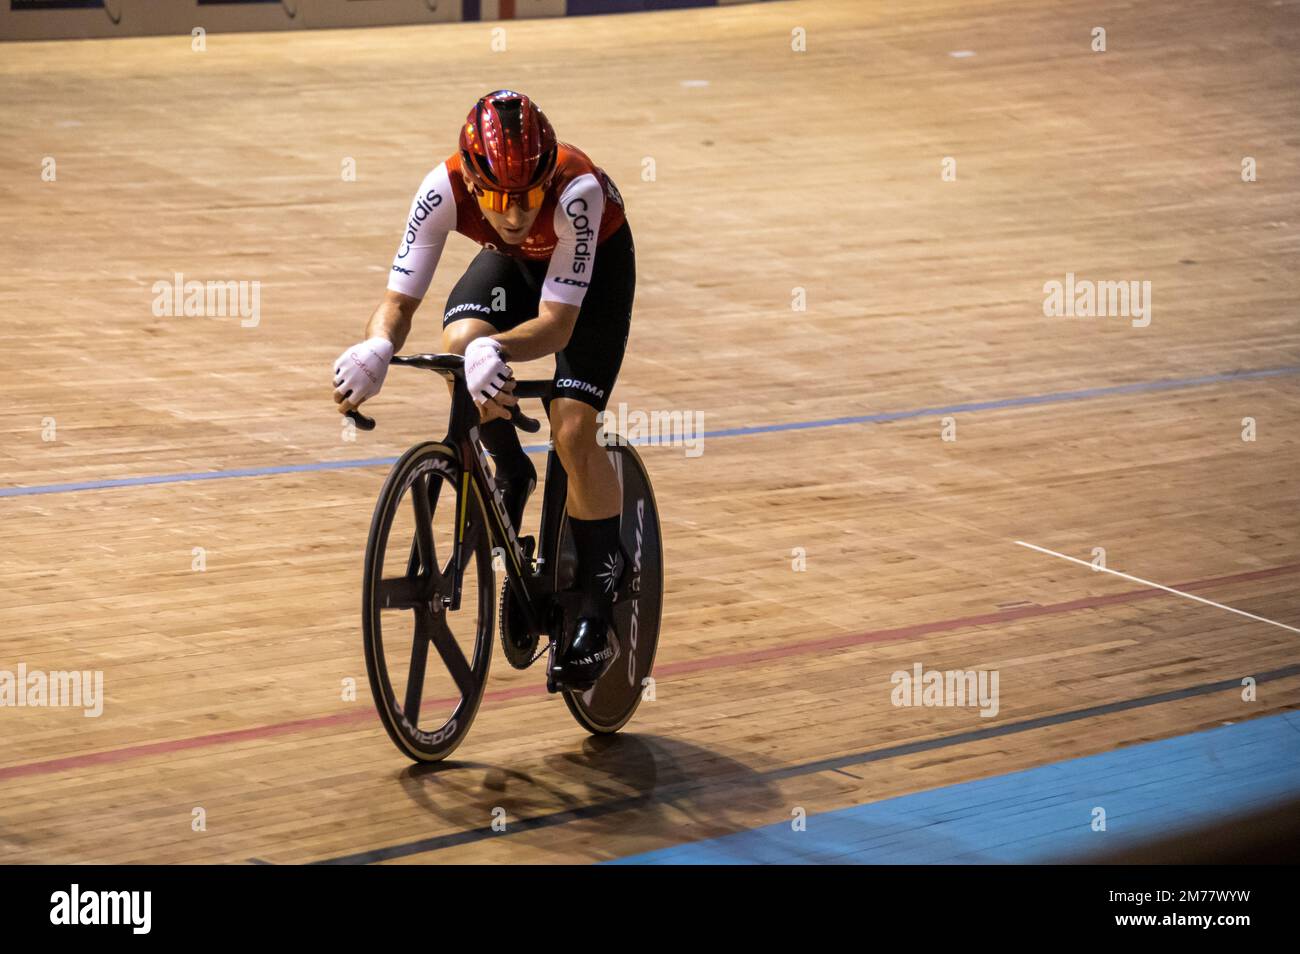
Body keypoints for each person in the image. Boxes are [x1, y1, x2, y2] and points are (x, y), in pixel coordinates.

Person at [332, 90, 634, 691]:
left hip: (592, 273)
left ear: (548, 179)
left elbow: (556, 327)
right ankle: (508, 465)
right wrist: (377, 347)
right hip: (516, 268)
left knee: (572, 429)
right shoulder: (440, 187)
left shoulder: (579, 194)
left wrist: (495, 350)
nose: (514, 214)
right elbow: (397, 303)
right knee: (459, 334)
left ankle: (599, 609)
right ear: (472, 186)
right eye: (497, 200)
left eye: (527, 197)